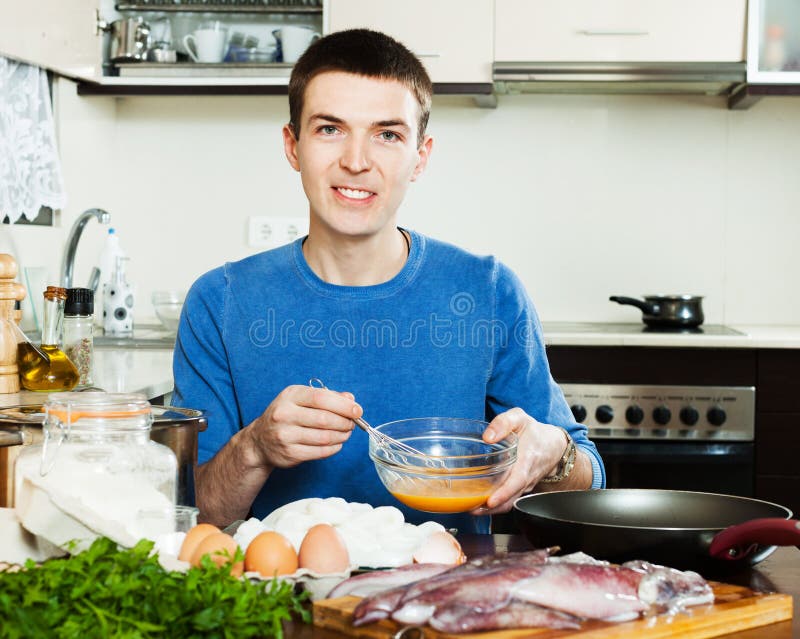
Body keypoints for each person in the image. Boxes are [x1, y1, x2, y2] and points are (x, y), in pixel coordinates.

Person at [173, 28, 605, 534]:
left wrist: (552, 453)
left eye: (388, 134)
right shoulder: (220, 302)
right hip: (275, 601)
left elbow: (589, 480)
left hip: (444, 598)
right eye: (330, 129)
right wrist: (255, 448)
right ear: (293, 147)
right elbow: (191, 517)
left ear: (419, 156)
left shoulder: (487, 291)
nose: (356, 161)